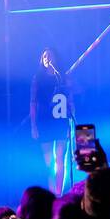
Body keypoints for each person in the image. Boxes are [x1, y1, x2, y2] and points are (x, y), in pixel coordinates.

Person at [29, 47, 72, 195]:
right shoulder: (38, 78)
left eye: (49, 55)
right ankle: (51, 192)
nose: (47, 58)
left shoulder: (62, 77)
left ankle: (59, 193)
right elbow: (33, 103)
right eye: (44, 55)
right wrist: (33, 126)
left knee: (61, 158)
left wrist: (71, 124)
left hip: (61, 121)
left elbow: (70, 100)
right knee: (48, 162)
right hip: (45, 122)